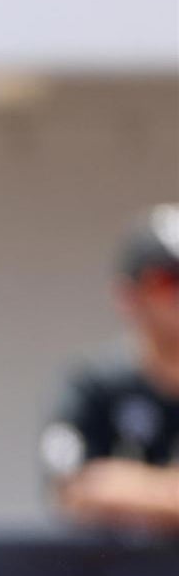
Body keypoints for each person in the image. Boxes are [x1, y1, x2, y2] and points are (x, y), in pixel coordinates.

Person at [40, 202, 179, 534]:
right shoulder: (93, 384)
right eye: (167, 281)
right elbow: (70, 491)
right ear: (128, 295)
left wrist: (128, 485)